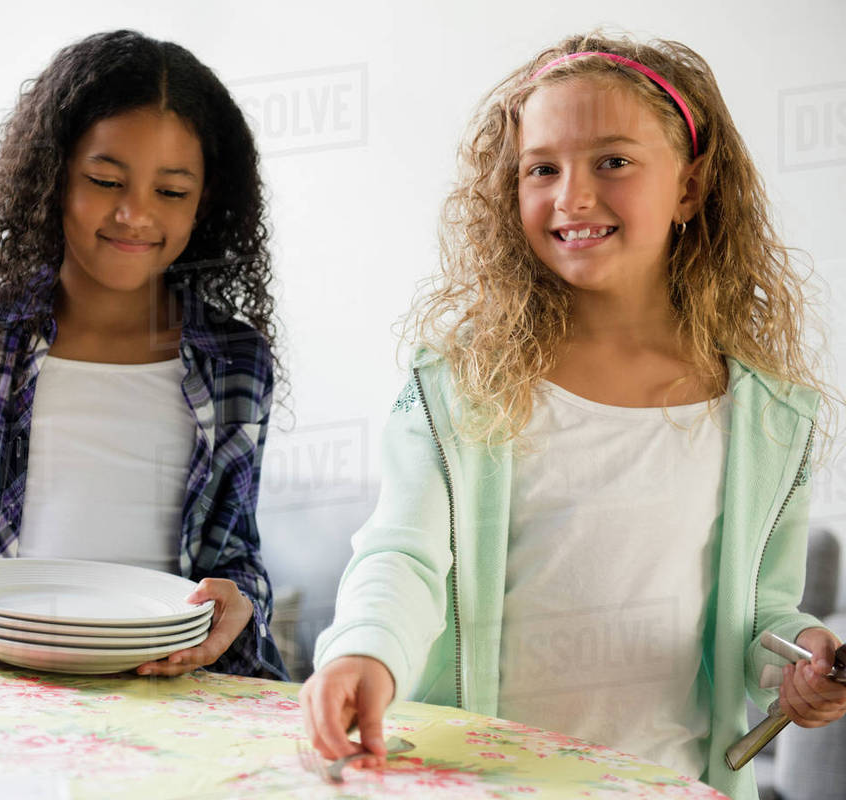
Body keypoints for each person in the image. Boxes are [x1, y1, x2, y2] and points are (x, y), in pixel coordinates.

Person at [299, 31, 845, 798]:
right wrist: (364, 651)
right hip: (483, 783)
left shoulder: (768, 414)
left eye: (613, 162)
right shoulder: (463, 382)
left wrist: (801, 657)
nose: (573, 196)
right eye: (542, 169)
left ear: (689, 187)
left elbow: (761, 611)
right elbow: (404, 557)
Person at [0, 29, 287, 681]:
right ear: (53, 175)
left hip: (163, 689)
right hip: (2, 676)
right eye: (105, 179)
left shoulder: (237, 360)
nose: (135, 215)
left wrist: (244, 604)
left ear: (207, 202)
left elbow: (233, 558)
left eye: (171, 192)